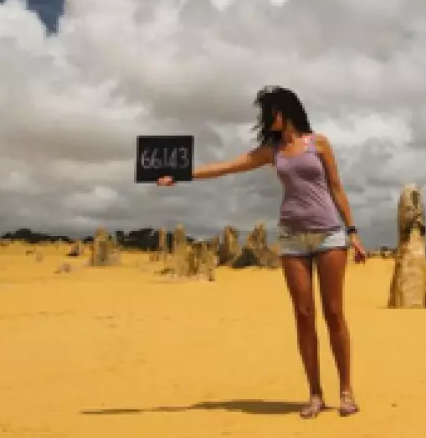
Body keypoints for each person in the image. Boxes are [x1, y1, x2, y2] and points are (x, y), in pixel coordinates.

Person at [157, 86, 367, 418]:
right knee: (303, 315)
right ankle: (314, 393)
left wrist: (352, 231)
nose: (265, 119)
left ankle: (346, 391)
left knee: (334, 313)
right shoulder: (272, 151)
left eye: (270, 112)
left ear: (285, 111)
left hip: (329, 235)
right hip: (292, 239)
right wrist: (180, 175)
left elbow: (337, 188)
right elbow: (226, 166)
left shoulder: (319, 143)